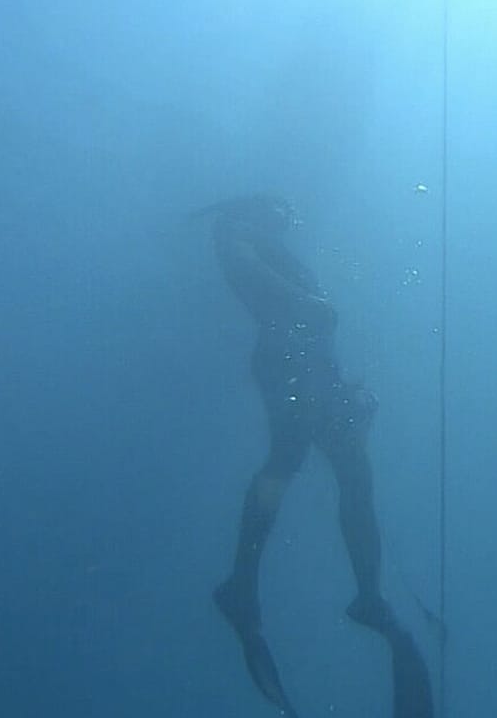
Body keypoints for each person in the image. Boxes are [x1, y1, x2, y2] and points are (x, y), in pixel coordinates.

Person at [205, 194, 433, 718]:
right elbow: (246, 270)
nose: (291, 219)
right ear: (259, 207)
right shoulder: (236, 227)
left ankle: (366, 594)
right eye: (283, 211)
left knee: (352, 472)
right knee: (287, 464)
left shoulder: (268, 244)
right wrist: (308, 303)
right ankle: (243, 585)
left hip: (314, 374)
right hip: (287, 367)